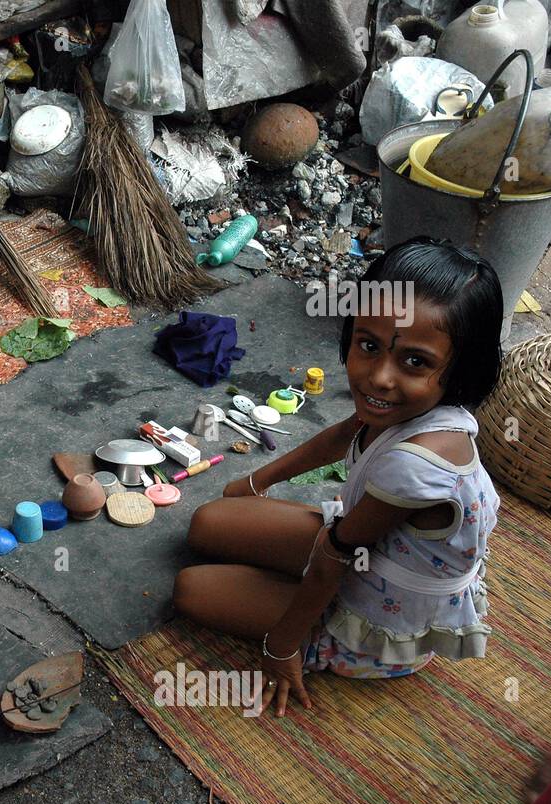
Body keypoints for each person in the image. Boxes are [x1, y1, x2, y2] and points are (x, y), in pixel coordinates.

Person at [173, 238, 504, 717]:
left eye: (415, 361)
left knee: (191, 589)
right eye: (367, 346)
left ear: (459, 371)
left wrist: (282, 648)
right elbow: (347, 431)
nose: (379, 377)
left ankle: (319, 644)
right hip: (367, 555)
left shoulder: (419, 465)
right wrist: (253, 483)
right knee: (208, 522)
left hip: (370, 620)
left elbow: (337, 557)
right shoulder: (403, 408)